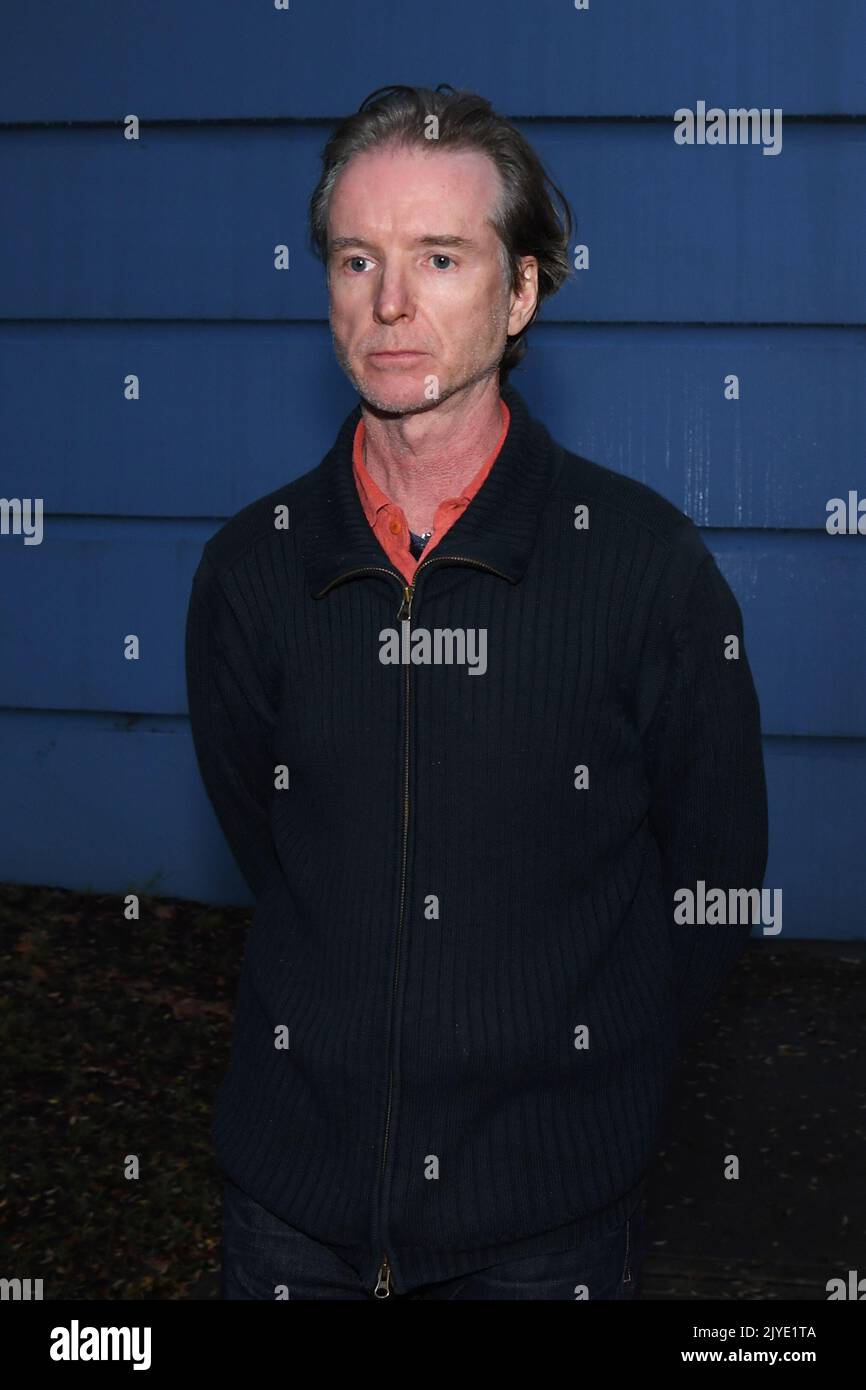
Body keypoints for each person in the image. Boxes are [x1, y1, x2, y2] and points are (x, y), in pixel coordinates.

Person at [185, 84, 768, 1300]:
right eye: (358, 259)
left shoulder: (641, 566)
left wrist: (584, 1089)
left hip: (542, 1224)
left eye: (438, 258)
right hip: (292, 1210)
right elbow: (268, 837)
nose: (389, 303)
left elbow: (712, 871)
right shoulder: (254, 567)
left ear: (518, 295)